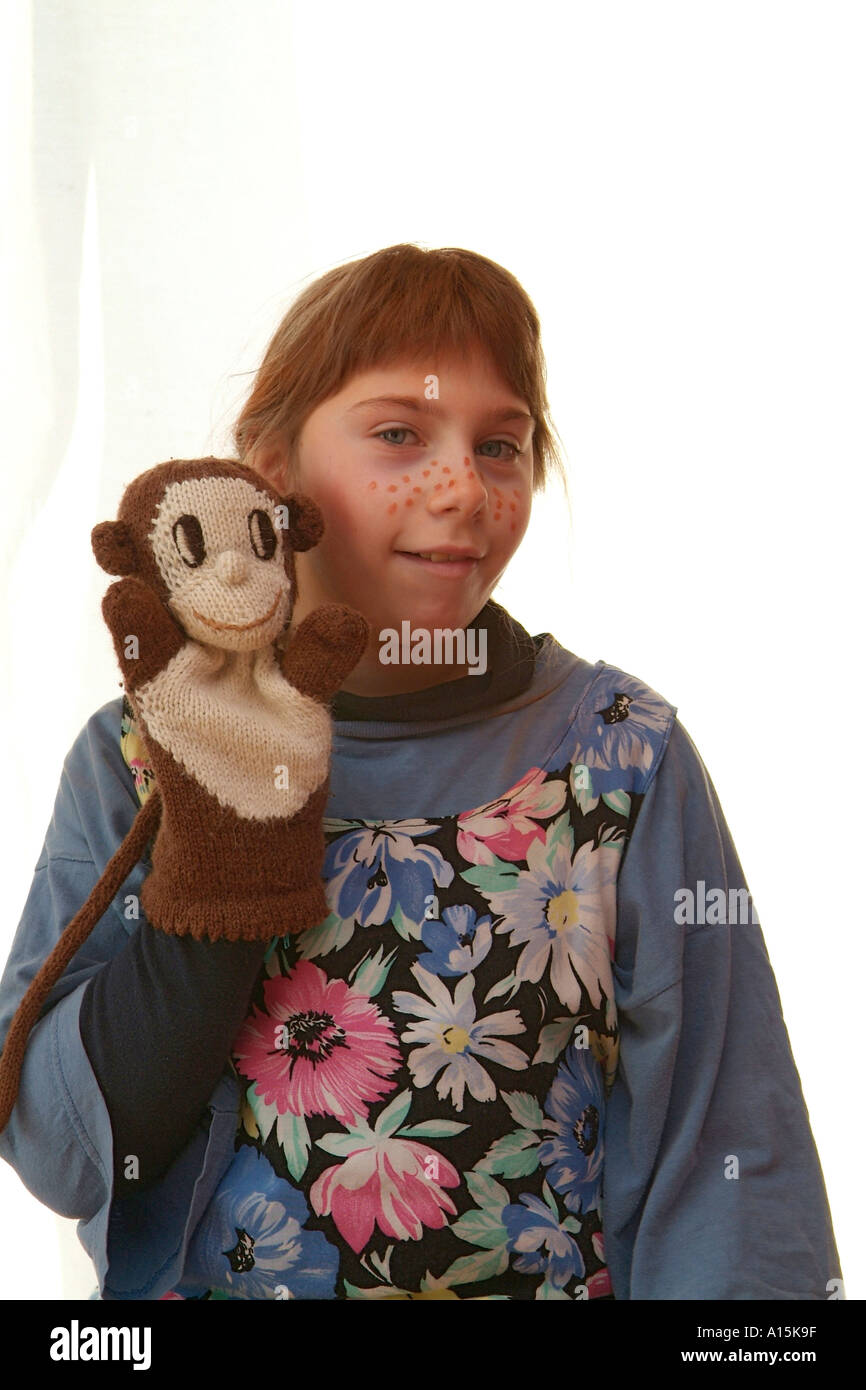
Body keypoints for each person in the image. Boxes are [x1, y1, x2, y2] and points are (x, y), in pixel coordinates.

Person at [0, 243, 841, 1301]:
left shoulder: (623, 757)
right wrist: (209, 885)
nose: (462, 489)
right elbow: (66, 1157)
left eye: (500, 446)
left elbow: (733, 1166)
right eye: (398, 433)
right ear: (267, 465)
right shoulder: (133, 764)